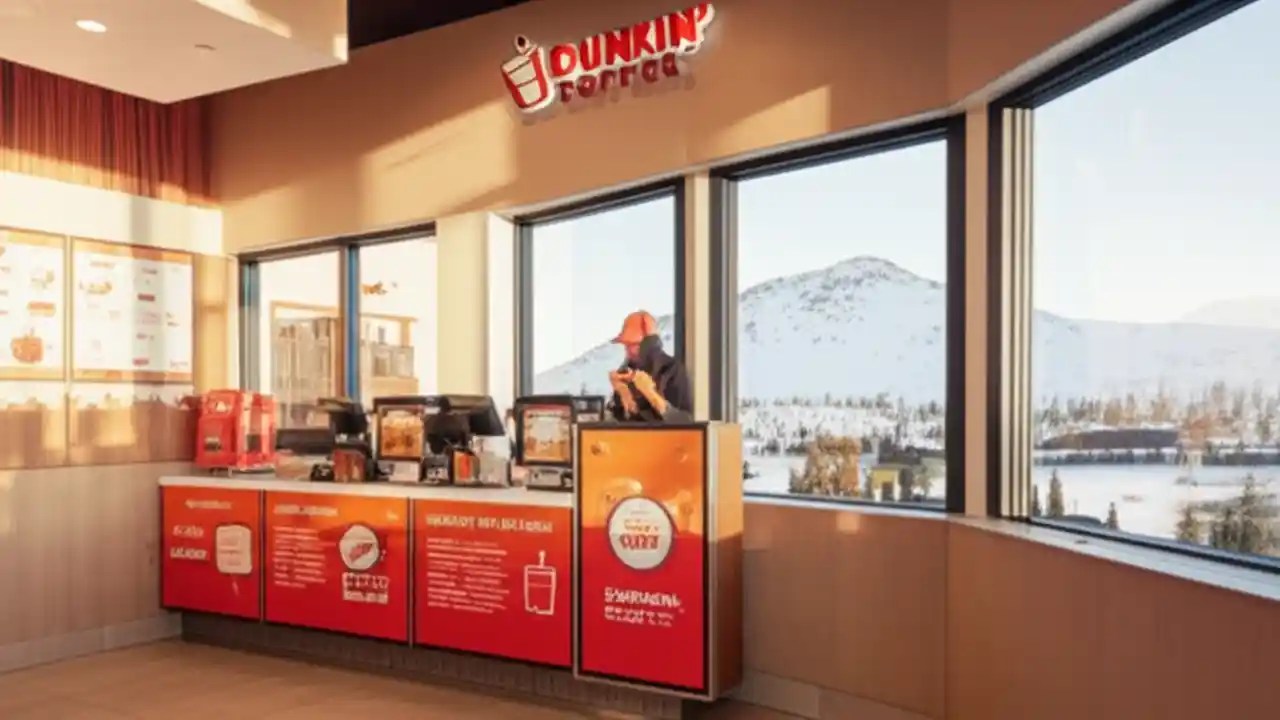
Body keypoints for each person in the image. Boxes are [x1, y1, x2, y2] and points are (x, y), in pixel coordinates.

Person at [606, 310, 693, 422]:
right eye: (627, 346)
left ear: (649, 344)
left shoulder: (672, 370)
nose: (629, 351)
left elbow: (686, 424)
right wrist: (621, 396)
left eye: (634, 345)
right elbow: (611, 427)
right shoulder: (626, 373)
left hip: (664, 439)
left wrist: (651, 394)